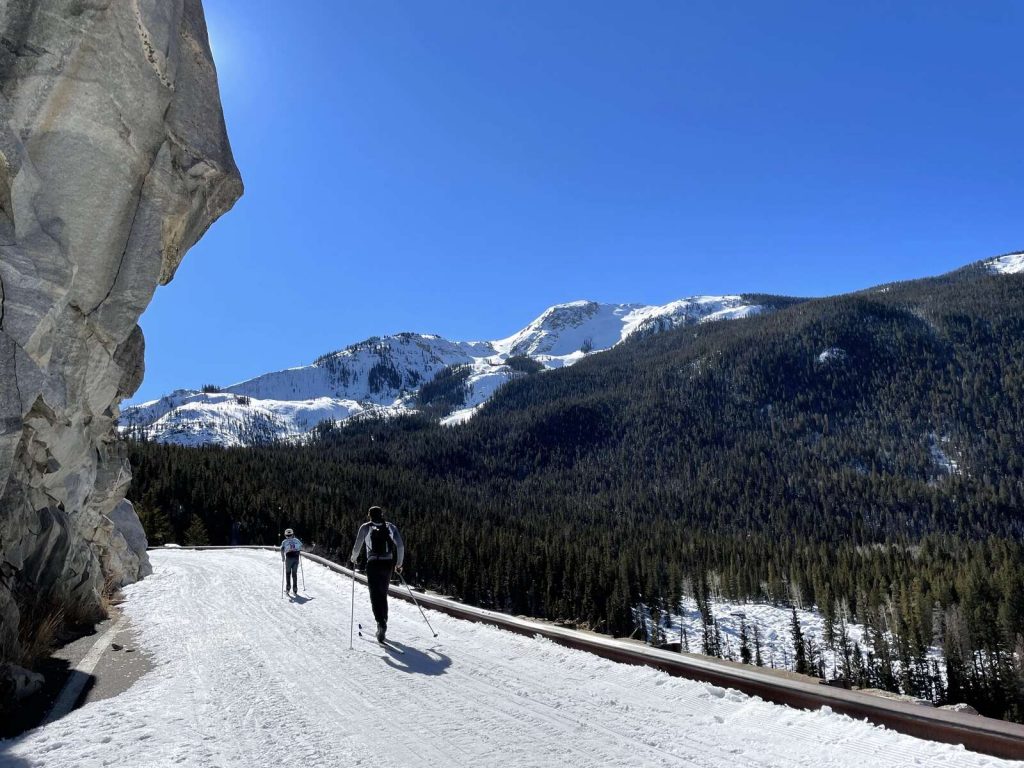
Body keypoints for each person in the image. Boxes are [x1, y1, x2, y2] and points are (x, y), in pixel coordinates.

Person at [350, 506, 404, 643]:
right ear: (382, 514)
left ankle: (380, 623)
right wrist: (399, 564)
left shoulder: (365, 527)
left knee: (374, 594)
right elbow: (400, 546)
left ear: (369, 515)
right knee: (383, 593)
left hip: (373, 563)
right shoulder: (391, 527)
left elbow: (358, 544)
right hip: (388, 564)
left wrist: (353, 558)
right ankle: (384, 620)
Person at [280, 528, 303, 595]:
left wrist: (283, 558)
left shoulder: (284, 542)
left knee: (288, 573)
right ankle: (295, 590)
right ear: (292, 534)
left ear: (285, 535)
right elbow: (301, 546)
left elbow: (281, 550)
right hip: (296, 557)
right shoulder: (296, 540)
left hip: (289, 558)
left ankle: (288, 589)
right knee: (294, 574)